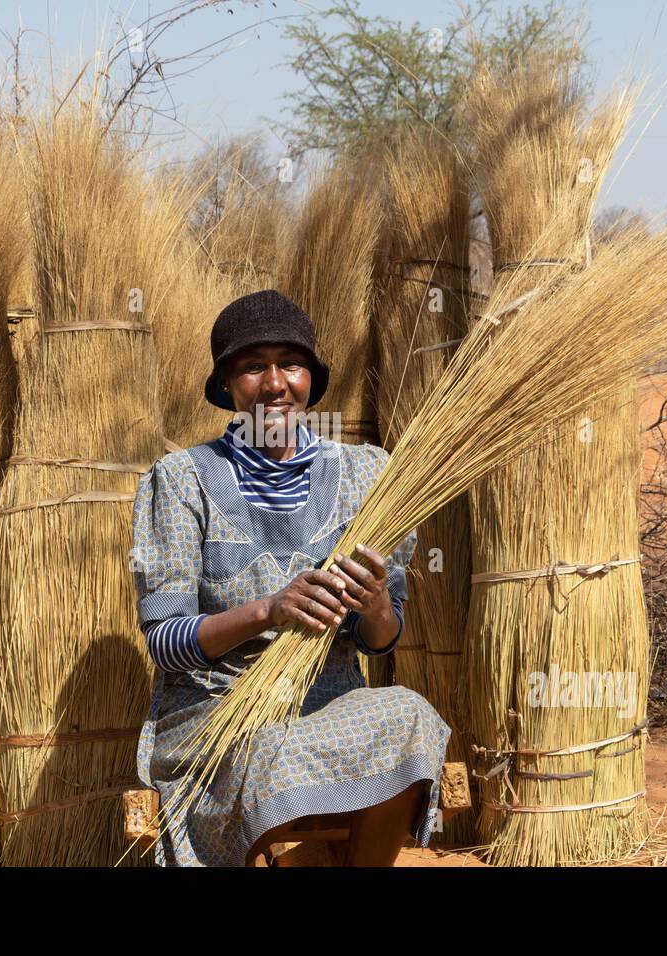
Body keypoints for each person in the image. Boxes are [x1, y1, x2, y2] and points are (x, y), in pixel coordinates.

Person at [130, 288, 451, 867]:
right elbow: (164, 644)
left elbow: (381, 639)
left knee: (410, 716)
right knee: (272, 756)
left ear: (311, 378)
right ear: (226, 382)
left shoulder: (366, 474)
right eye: (253, 366)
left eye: (291, 364)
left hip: (331, 708)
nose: (275, 383)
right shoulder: (182, 480)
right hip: (219, 719)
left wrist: (376, 601)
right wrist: (267, 611)